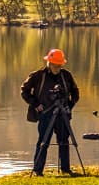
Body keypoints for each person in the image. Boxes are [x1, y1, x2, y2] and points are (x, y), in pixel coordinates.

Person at [20, 48, 81, 176]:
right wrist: (36, 104)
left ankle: (65, 169)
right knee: (43, 142)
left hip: (62, 114)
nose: (57, 68)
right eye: (55, 65)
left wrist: (70, 105)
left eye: (59, 65)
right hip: (45, 114)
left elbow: (75, 92)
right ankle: (38, 170)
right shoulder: (38, 75)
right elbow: (24, 91)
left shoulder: (66, 75)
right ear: (49, 63)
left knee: (64, 141)